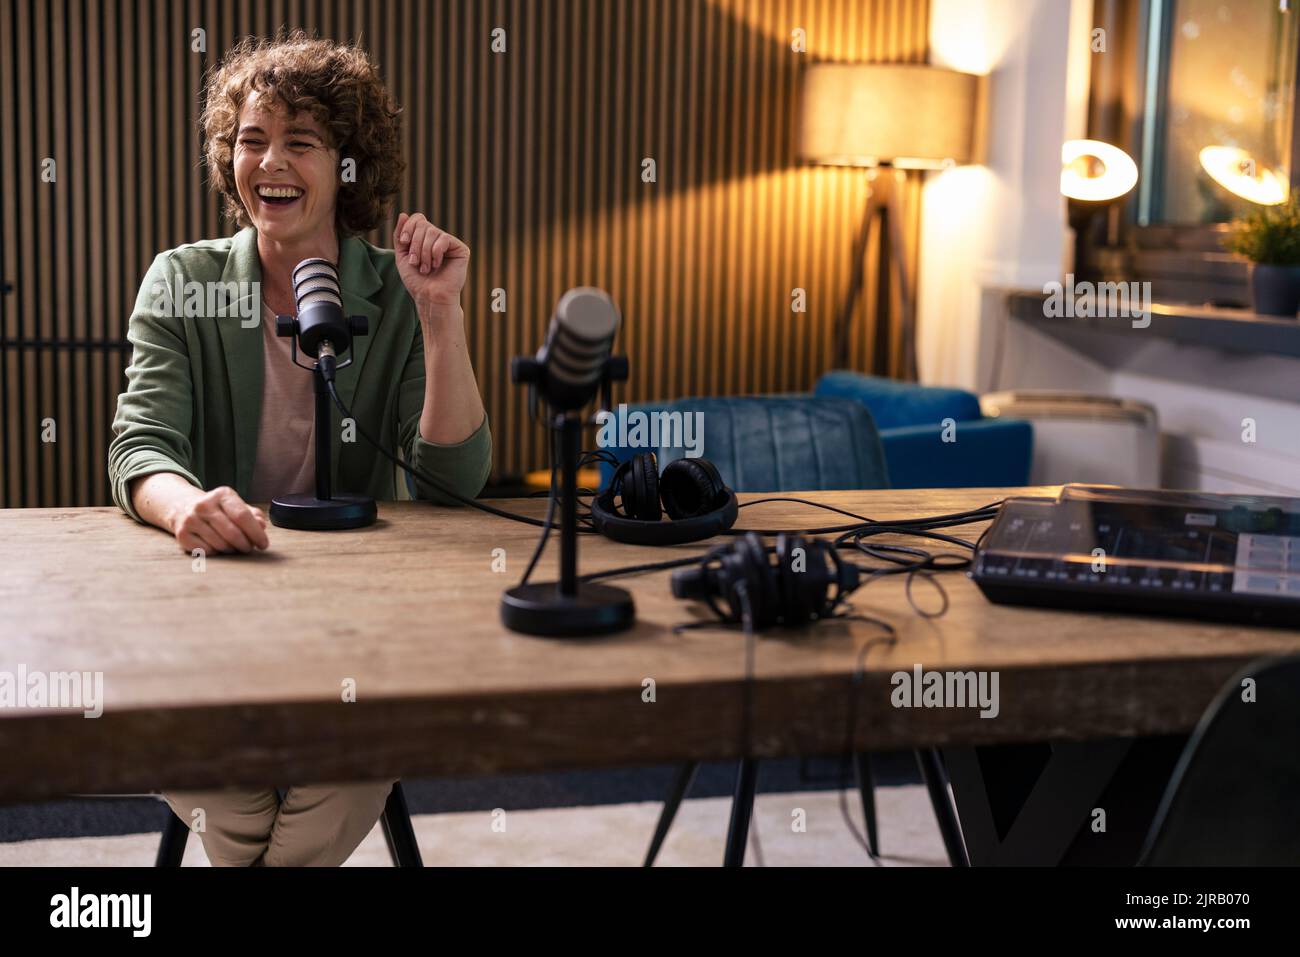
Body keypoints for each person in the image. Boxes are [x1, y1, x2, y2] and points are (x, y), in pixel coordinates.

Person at [107, 31, 490, 866]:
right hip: (208, 615)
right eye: (251, 139)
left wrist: (440, 316)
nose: (269, 161)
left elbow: (455, 484)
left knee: (344, 763)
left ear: (348, 165)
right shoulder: (182, 279)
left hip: (359, 628)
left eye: (301, 142)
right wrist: (188, 509)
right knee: (227, 784)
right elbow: (140, 445)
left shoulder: (396, 291)